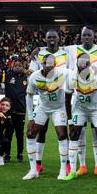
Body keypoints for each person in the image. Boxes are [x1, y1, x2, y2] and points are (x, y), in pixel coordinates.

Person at [28, 30, 69, 175]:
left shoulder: (67, 52)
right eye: (49, 37)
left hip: (60, 100)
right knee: (40, 130)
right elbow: (31, 75)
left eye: (54, 37)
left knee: (62, 132)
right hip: (43, 101)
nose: (52, 39)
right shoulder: (38, 54)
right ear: (45, 39)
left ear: (59, 38)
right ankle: (37, 163)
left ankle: (67, 164)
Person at [64, 53, 97, 181]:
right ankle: (72, 171)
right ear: (76, 63)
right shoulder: (71, 75)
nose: (83, 65)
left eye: (86, 62)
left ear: (90, 64)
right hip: (79, 110)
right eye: (80, 62)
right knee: (73, 135)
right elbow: (67, 99)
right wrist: (70, 121)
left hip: (96, 109)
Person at [4, 60, 27, 163]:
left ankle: (20, 155)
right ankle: (7, 155)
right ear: (12, 67)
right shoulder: (8, 76)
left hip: (21, 111)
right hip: (9, 111)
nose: (17, 67)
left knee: (20, 135)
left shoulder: (27, 78)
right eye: (16, 65)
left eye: (20, 65)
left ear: (23, 67)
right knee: (8, 133)